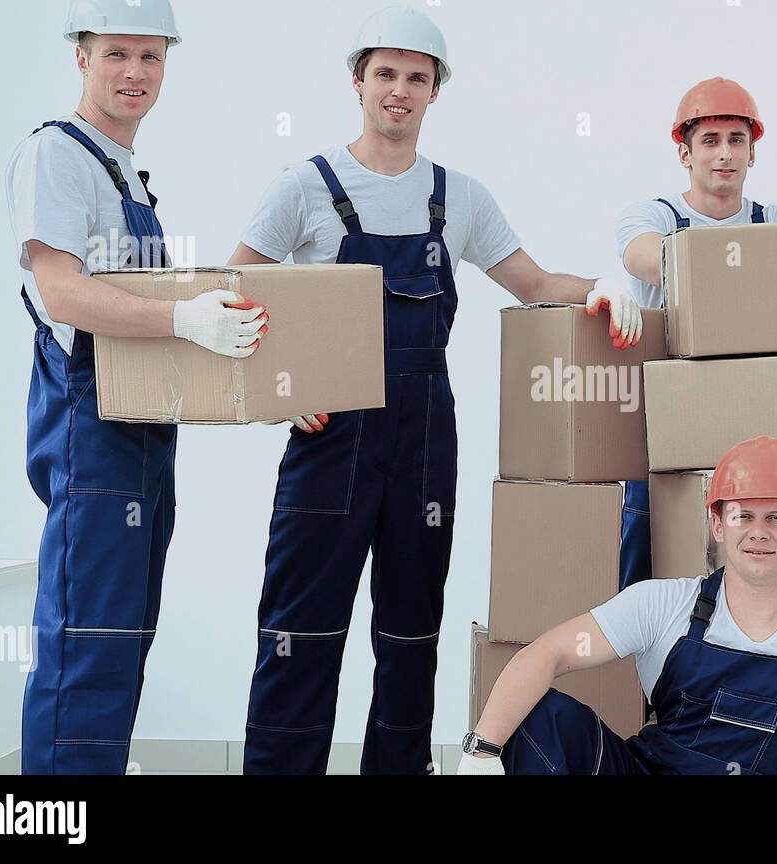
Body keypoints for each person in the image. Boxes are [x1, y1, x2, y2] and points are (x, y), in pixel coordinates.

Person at [228, 5, 643, 774]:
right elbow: (234, 292)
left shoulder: (459, 198)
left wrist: (606, 285)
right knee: (301, 634)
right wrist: (275, 395)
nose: (400, 90)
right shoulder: (305, 187)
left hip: (422, 449)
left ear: (434, 93)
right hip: (328, 448)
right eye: (385, 73)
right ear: (358, 81)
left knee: (410, 638)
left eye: (417, 77)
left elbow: (535, 282)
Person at [6, 0, 268, 774]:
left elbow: (140, 314)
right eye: (116, 53)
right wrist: (186, 321)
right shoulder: (56, 154)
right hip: (92, 433)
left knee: (122, 639)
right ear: (80, 55)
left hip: (144, 434)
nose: (135, 73)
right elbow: (63, 293)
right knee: (86, 642)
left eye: (151, 57)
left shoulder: (123, 171)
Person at [458, 436, 777, 775]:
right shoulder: (663, 606)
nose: (759, 532)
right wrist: (479, 753)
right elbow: (547, 654)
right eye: (743, 516)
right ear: (718, 525)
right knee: (540, 715)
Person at [614, 77, 777, 590]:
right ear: (684, 152)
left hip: (761, 422)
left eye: (737, 141)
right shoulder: (653, 216)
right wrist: (759, 269)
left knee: (754, 577)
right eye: (710, 141)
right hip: (667, 433)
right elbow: (646, 257)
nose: (725, 154)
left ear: (752, 152)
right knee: (648, 574)